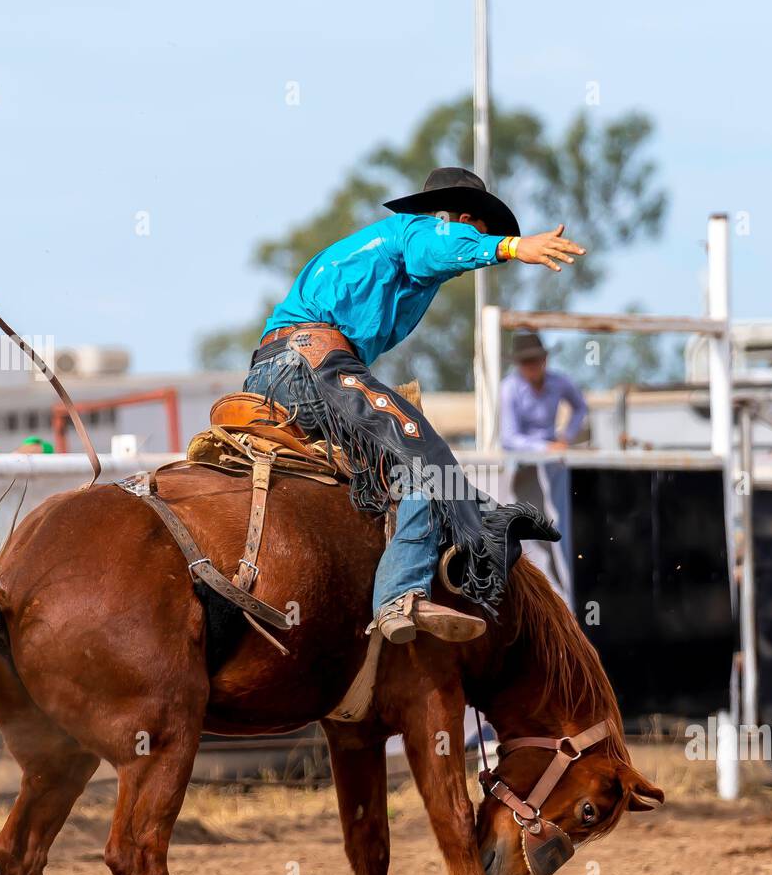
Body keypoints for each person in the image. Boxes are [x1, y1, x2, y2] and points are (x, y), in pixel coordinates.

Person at [243, 167, 586, 644]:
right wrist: (510, 247)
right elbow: (439, 245)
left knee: (401, 468)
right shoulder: (419, 231)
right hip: (311, 365)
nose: (471, 246)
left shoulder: (378, 247)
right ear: (462, 218)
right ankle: (399, 593)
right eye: (476, 230)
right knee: (427, 458)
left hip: (275, 370)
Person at [500, 331, 589, 453]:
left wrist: (566, 437)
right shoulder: (509, 388)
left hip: (554, 461)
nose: (531, 366)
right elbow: (509, 438)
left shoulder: (559, 382)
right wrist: (546, 448)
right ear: (518, 364)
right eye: (526, 361)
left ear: (545, 359)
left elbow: (581, 406)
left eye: (535, 360)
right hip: (519, 461)